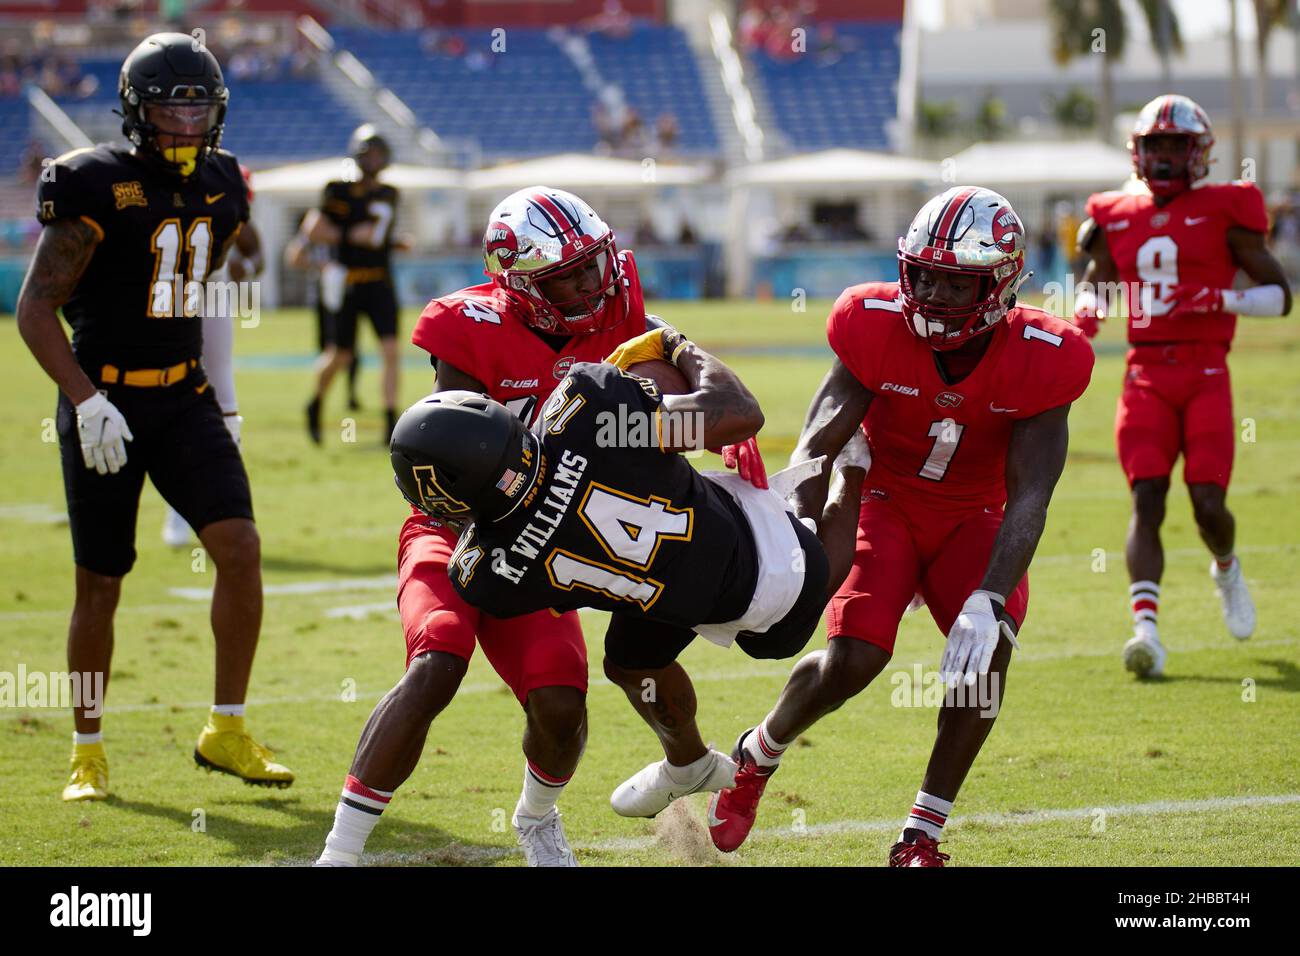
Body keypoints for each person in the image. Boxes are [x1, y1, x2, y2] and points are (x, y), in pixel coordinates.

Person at [315, 187, 759, 867]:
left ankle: (536, 818)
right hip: (456, 526)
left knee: (557, 701)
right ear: (520, 287)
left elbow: (678, 411)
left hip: (550, 533)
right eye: (566, 277)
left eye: (591, 266)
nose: (588, 284)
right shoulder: (468, 329)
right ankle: (339, 855)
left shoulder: (624, 323)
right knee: (437, 662)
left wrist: (715, 430)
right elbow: (437, 451)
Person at [706, 187, 1095, 866]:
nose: (937, 294)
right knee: (856, 658)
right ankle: (756, 755)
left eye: (957, 280)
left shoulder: (1044, 353)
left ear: (1002, 285)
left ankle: (921, 833)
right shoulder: (874, 321)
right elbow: (817, 446)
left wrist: (989, 596)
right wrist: (789, 527)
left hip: (977, 513)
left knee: (986, 655)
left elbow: (1032, 494)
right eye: (925, 274)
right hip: (885, 499)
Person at [389, 329, 859, 823]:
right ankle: (688, 764)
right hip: (743, 552)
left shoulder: (485, 572)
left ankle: (855, 466)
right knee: (806, 566)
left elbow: (504, 533)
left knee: (633, 659)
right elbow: (741, 412)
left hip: (680, 592)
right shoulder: (587, 405)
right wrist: (674, 346)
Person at [15, 32, 292, 802]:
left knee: (239, 546)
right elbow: (35, 311)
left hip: (183, 396)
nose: (190, 119)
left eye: (201, 103)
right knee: (100, 583)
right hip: (103, 397)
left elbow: (211, 289)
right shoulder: (92, 183)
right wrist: (85, 401)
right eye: (175, 105)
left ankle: (226, 729)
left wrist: (225, 400)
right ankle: (87, 751)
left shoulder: (224, 183)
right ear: (139, 112)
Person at [1074, 95, 1292, 677]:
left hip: (1205, 372)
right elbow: (1097, 282)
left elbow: (1280, 296)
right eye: (1156, 144)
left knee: (1208, 503)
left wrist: (1218, 297)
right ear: (1138, 151)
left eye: (1177, 144)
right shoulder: (1115, 212)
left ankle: (1225, 565)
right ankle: (1145, 630)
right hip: (1144, 373)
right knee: (1147, 496)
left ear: (1199, 152)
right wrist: (1086, 316)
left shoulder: (1227, 207)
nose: (1166, 155)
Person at [162, 163, 264, 547]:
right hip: (164, 296)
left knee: (223, 398)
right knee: (164, 397)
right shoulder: (162, 189)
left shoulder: (228, 187)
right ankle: (177, 507)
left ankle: (216, 508)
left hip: (211, 294)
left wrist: (245, 266)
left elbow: (257, 255)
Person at [299, 125, 404, 445]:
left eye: (378, 154)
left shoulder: (390, 193)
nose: (373, 160)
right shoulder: (339, 190)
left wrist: (392, 243)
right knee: (340, 354)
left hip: (380, 282)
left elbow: (376, 237)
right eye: (368, 154)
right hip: (347, 283)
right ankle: (315, 402)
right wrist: (348, 235)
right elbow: (313, 230)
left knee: (391, 351)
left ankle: (390, 422)